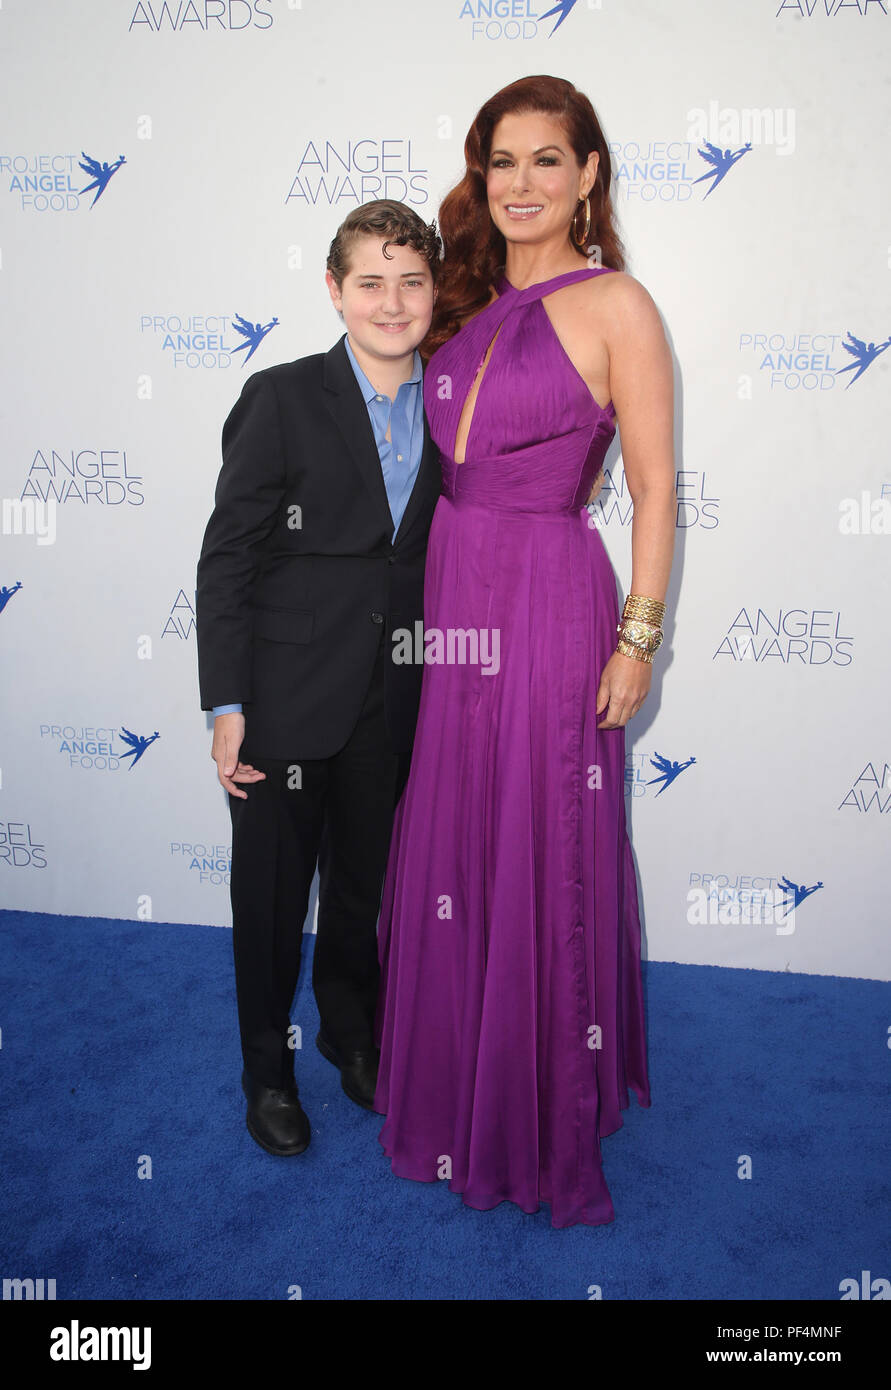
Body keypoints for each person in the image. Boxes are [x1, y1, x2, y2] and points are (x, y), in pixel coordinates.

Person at [372, 76, 676, 1227]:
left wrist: (638, 637)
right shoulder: (456, 299)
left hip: (551, 592)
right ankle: (453, 1071)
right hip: (454, 587)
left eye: (548, 161)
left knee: (539, 824)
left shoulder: (620, 308)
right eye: (502, 162)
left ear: (589, 174)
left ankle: (542, 1092)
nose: (521, 185)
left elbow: (654, 491)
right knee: (453, 823)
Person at [196, 201, 441, 1156]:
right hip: (284, 704)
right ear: (334, 291)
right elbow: (228, 559)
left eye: (410, 281)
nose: (392, 302)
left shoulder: (454, 403)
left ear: (432, 291)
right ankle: (266, 1071)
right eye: (370, 282)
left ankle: (350, 1033)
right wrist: (228, 705)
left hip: (398, 698)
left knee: (363, 892)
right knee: (267, 902)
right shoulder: (282, 396)